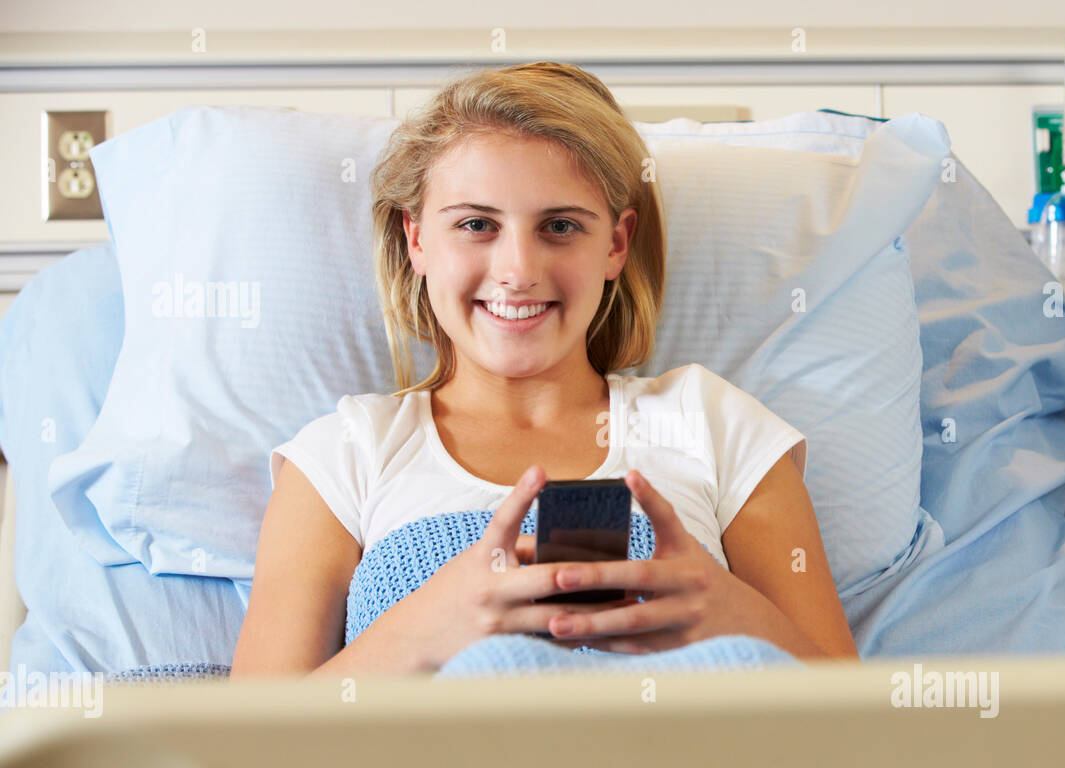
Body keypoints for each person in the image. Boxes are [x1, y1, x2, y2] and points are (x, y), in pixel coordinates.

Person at [231, 61, 857, 675]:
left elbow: (858, 734)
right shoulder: (347, 455)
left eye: (560, 226)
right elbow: (250, 758)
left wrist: (735, 617)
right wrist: (423, 631)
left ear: (615, 244)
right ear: (416, 238)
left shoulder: (714, 424)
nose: (518, 270)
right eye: (477, 224)